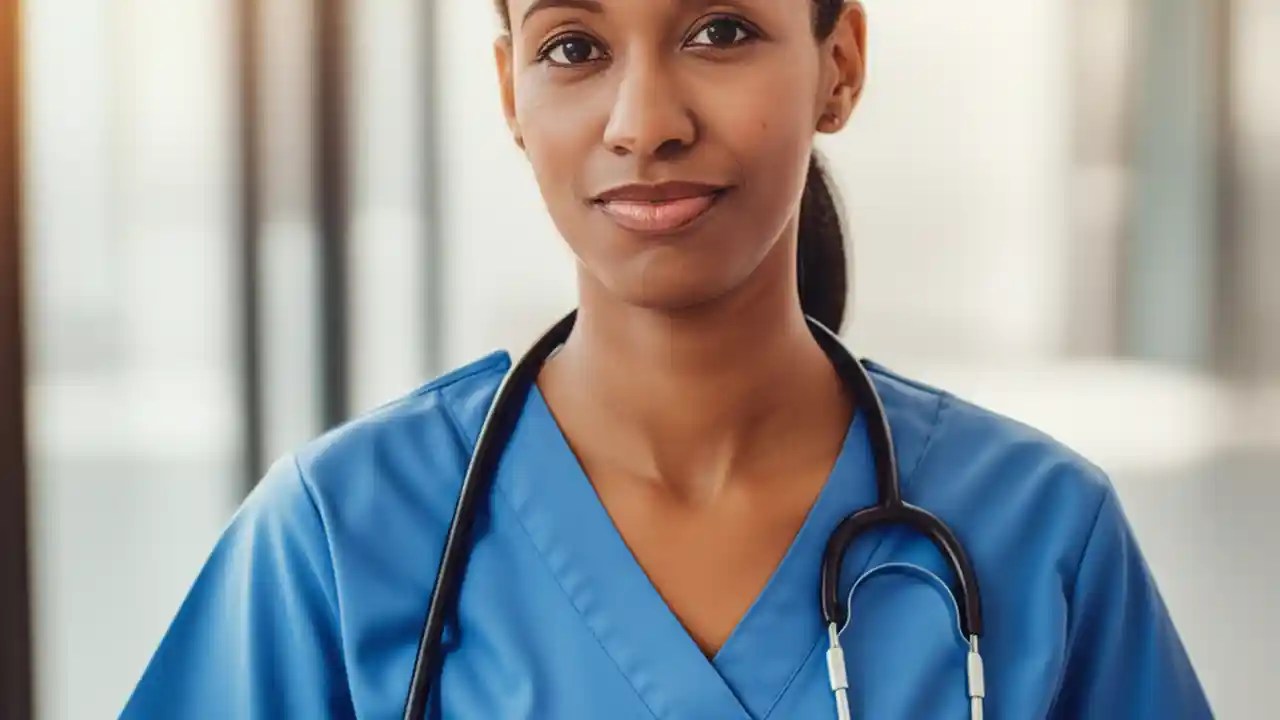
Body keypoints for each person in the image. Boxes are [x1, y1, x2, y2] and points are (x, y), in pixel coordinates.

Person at [123, 0, 1212, 717]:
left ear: (838, 65)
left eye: (720, 30)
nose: (643, 122)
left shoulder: (1037, 534)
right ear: (511, 92)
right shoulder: (338, 536)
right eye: (573, 48)